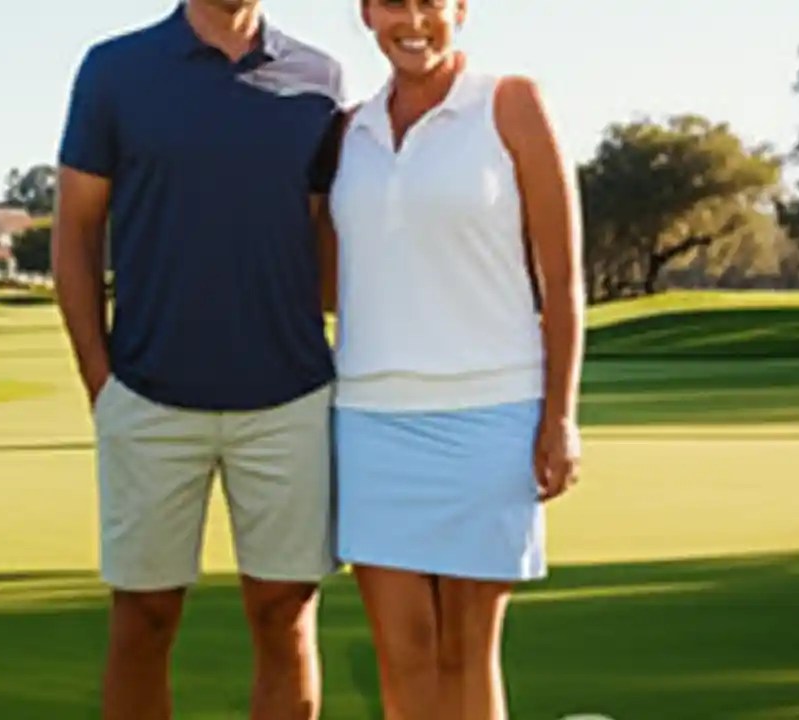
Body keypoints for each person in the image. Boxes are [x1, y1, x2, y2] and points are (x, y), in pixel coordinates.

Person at [52, 1, 345, 718]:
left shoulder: (320, 80)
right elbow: (76, 231)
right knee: (143, 623)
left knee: (285, 619)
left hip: (291, 398)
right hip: (149, 396)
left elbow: (326, 244)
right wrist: (102, 381)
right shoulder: (114, 70)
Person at [327, 1, 586, 717]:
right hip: (372, 419)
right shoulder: (351, 128)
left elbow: (562, 279)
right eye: (392, 4)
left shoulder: (511, 104)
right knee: (401, 656)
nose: (412, 20)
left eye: (430, 3)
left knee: (467, 653)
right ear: (366, 13)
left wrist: (560, 417)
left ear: (460, 10)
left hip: (491, 414)